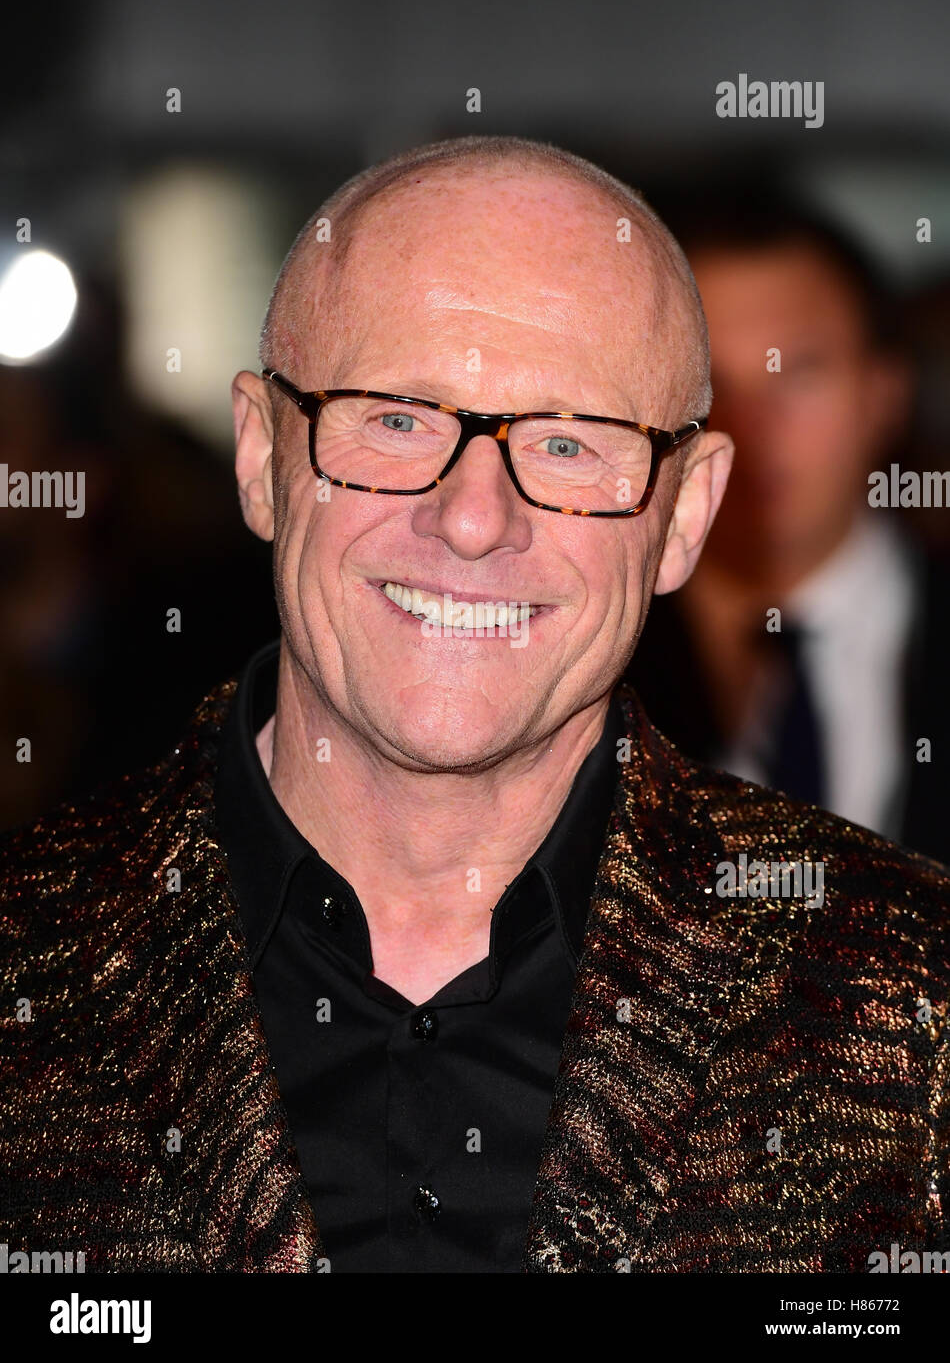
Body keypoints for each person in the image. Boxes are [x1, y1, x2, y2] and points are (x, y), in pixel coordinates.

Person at [1, 136, 947, 1275]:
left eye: (565, 441)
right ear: (260, 455)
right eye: (394, 418)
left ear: (685, 515)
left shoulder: (911, 1001)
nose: (470, 519)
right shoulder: (28, 957)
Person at [627, 197, 950, 862]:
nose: (749, 429)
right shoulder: (591, 652)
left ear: (885, 391)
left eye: (799, 374)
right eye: (711, 385)